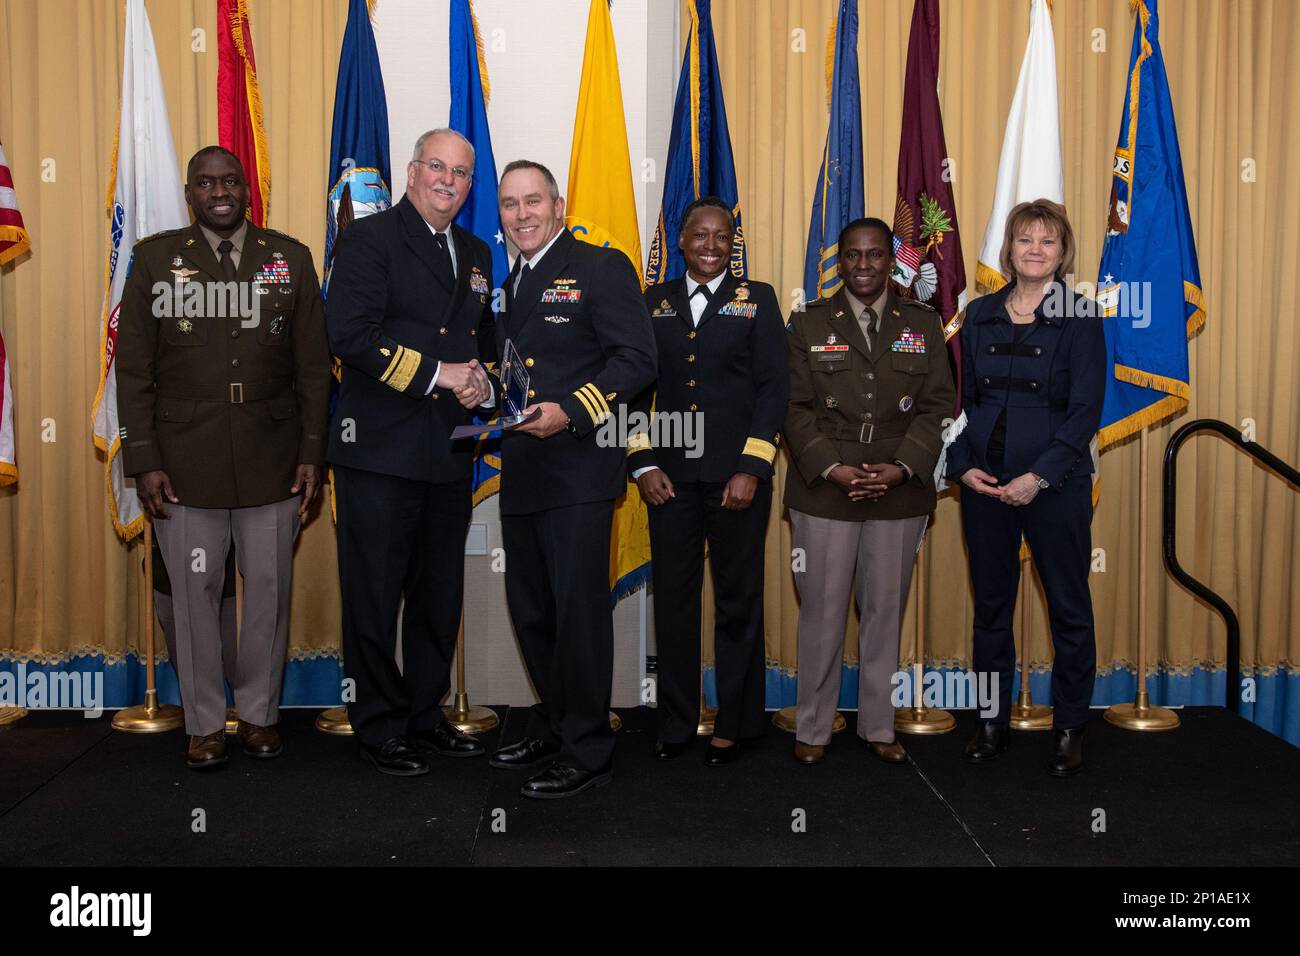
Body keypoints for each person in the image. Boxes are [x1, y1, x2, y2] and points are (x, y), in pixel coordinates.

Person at [116, 146, 331, 769]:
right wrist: (144, 460)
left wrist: (312, 453)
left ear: (247, 188)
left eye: (230, 180)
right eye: (206, 182)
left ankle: (260, 716)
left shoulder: (288, 260)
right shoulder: (156, 261)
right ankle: (206, 724)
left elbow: (313, 369)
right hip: (184, 463)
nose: (220, 191)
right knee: (193, 595)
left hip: (273, 456)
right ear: (190, 193)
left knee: (268, 589)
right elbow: (133, 371)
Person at [325, 129, 497, 776]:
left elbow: (483, 337)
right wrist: (439, 375)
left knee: (437, 597)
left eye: (461, 172)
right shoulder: (370, 241)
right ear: (412, 171)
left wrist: (484, 380)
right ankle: (379, 726)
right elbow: (349, 335)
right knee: (374, 597)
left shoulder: (477, 252)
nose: (448, 181)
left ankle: (424, 717)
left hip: (448, 454)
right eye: (437, 167)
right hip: (378, 455)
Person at [489, 160, 656, 799]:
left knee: (578, 614)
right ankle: (557, 725)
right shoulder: (508, 282)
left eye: (534, 201)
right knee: (533, 610)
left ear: (558, 206)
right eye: (509, 204)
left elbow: (637, 360)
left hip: (581, 468)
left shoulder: (599, 266)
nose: (522, 214)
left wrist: (575, 411)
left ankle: (587, 748)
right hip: (525, 469)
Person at [783, 217, 954, 766]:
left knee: (885, 609)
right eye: (853, 255)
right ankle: (813, 726)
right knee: (823, 612)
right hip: (825, 487)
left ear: (891, 259)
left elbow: (937, 406)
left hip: (897, 488)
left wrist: (903, 468)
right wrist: (832, 468)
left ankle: (878, 724)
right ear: (841, 260)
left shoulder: (922, 323)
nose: (864, 265)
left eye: (875, 255)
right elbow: (793, 408)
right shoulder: (809, 322)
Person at [944, 199, 1105, 776]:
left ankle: (1068, 726)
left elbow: (1085, 412)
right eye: (1025, 240)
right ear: (1008, 250)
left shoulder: (1081, 317)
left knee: (1068, 606)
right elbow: (955, 401)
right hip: (983, 485)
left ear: (1063, 253)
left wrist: (1038, 478)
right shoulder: (978, 313)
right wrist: (961, 467)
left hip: (1054, 485)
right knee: (991, 607)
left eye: (1048, 241)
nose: (1035, 250)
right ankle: (991, 721)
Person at [629, 196, 788, 766]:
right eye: (701, 235)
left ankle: (737, 723)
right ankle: (675, 722)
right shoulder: (653, 302)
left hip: (735, 480)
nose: (712, 246)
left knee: (738, 599)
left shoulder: (758, 300)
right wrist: (642, 463)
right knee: (673, 600)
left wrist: (751, 468)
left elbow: (775, 390)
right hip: (667, 480)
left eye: (723, 237)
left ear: (733, 242)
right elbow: (630, 390)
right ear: (682, 239)